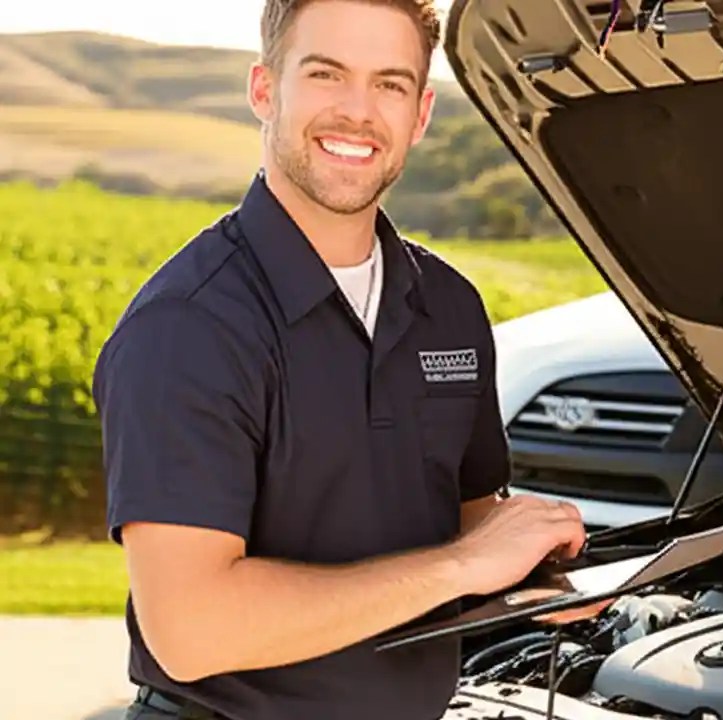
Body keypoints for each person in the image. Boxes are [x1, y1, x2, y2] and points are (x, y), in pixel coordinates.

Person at [91, 1, 596, 718]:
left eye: (389, 84)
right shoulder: (189, 327)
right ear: (265, 90)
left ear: (420, 115)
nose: (358, 113)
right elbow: (190, 631)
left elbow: (474, 518)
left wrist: (543, 567)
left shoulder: (450, 307)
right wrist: (461, 566)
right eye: (328, 75)